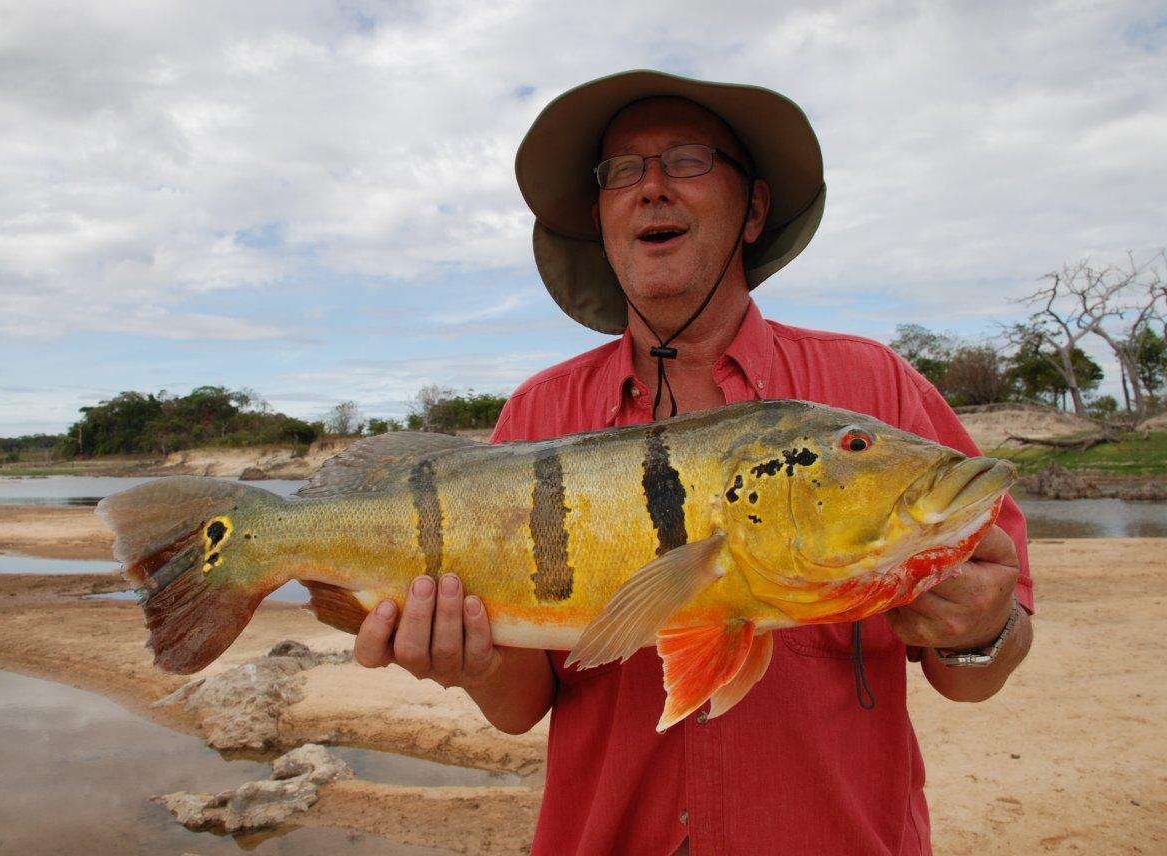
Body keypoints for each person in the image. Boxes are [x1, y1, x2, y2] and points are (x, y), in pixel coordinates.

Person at [354, 70, 1034, 855]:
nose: (649, 189)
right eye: (620, 172)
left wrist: (982, 627)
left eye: (685, 161)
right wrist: (462, 660)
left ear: (753, 209)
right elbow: (519, 707)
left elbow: (975, 675)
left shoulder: (877, 389)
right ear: (603, 221)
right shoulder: (537, 415)